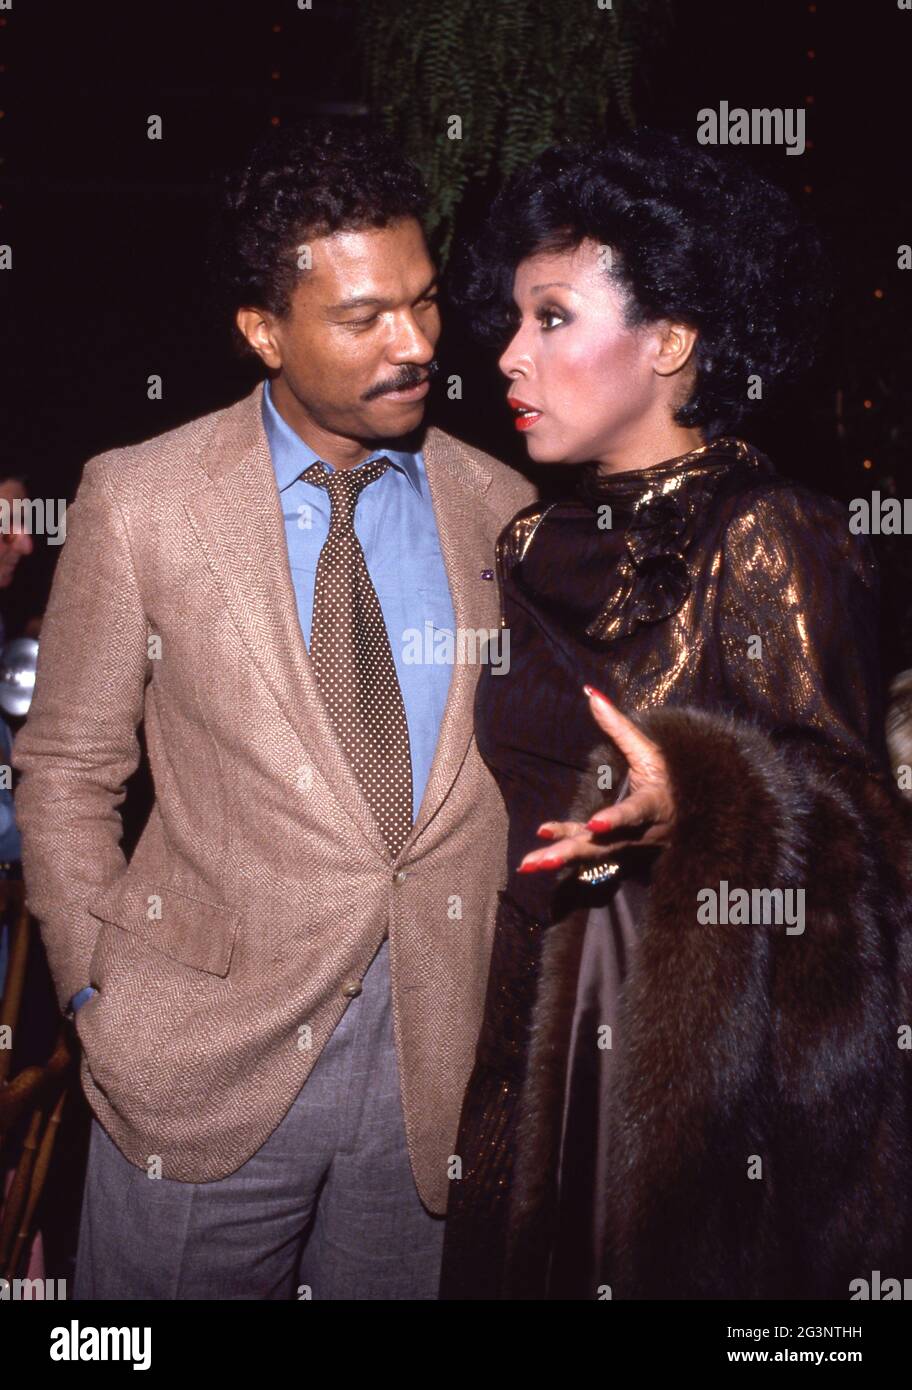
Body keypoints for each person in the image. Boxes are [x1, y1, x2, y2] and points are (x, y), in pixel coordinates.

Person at [11, 122, 535, 1300]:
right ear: (265, 331)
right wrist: (99, 995)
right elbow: (67, 769)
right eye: (363, 319)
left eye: (424, 300)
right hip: (197, 1058)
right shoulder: (141, 499)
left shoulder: (496, 502)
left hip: (433, 1063)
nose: (416, 344)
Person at [439, 130, 912, 1300]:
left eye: (552, 318)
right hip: (515, 1042)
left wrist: (704, 801)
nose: (507, 354)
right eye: (512, 318)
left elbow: (866, 839)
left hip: (682, 1085)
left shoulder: (770, 534)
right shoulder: (528, 541)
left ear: (672, 343)